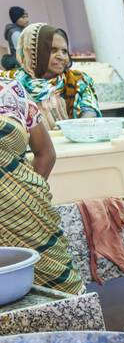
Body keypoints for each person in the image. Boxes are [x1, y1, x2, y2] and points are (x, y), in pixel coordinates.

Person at [0, 79, 82, 294]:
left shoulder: (10, 90)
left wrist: (23, 195)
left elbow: (45, 153)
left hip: (29, 216)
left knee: (64, 292)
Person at [0, 23, 100, 121]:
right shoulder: (10, 83)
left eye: (64, 51)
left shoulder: (77, 80)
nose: (61, 57)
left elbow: (89, 111)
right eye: (53, 50)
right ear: (32, 53)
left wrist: (80, 125)